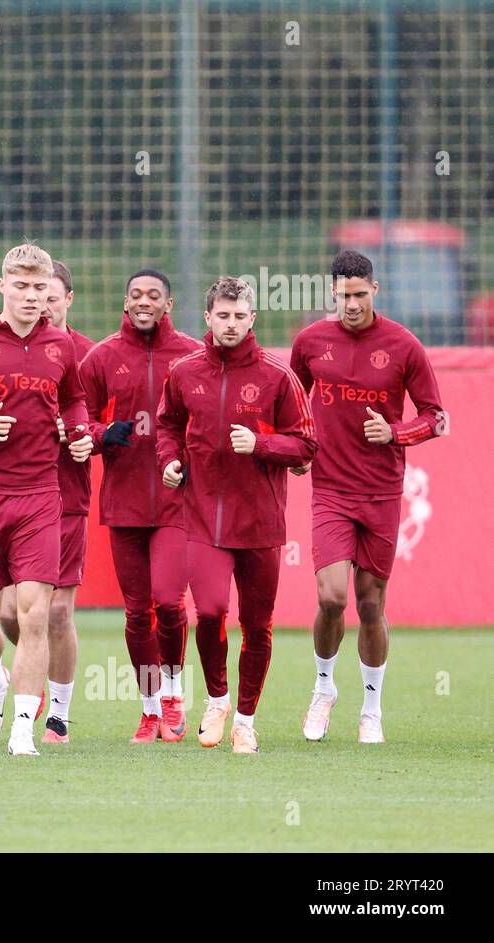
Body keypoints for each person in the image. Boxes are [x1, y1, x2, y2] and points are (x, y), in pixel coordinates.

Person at [289, 250, 447, 744]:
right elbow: (293, 399)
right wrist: (295, 448)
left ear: (374, 291)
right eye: (343, 295)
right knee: (332, 597)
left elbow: (436, 417)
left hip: (381, 493)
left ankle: (372, 710)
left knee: (371, 604)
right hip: (331, 490)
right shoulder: (312, 341)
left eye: (360, 294)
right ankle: (323, 689)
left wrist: (396, 434)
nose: (352, 303)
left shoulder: (403, 345)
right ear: (331, 292)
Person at [157, 276, 317, 753]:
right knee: (208, 611)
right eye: (222, 316)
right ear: (207, 318)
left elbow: (306, 443)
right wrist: (170, 460)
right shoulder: (184, 372)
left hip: (261, 524)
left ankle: (246, 719)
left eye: (239, 316)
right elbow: (167, 425)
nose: (230, 324)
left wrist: (262, 444)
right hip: (202, 518)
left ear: (253, 319)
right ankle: (218, 699)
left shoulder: (277, 375)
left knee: (257, 625)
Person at [0, 245, 92, 756]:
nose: (33, 297)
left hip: (40, 495)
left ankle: (23, 730)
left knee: (37, 614)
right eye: (23, 287)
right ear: (2, 287)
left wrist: (78, 430)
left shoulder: (62, 346)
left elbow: (75, 398)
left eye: (41, 288)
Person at [78, 269, 200, 744]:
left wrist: (191, 461)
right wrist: (99, 436)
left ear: (168, 303)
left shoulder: (192, 354)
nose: (144, 301)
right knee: (135, 613)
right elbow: (77, 419)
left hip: (178, 503)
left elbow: (210, 417)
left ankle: (173, 694)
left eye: (153, 295)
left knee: (169, 603)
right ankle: (150, 711)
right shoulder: (101, 357)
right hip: (124, 504)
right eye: (136, 294)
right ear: (125, 302)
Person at [0, 259, 95, 744]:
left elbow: (97, 421)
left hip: (66, 495)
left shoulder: (83, 354)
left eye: (51, 296)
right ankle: (18, 679)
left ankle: (56, 711)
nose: (42, 304)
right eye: (33, 292)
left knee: (56, 613)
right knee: (10, 615)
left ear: (66, 300)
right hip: (8, 492)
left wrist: (84, 437)